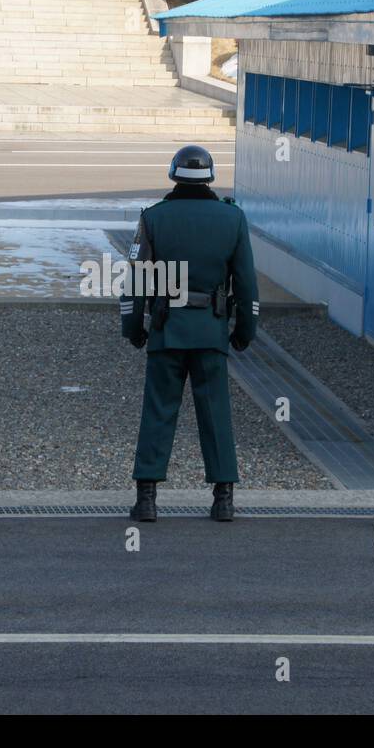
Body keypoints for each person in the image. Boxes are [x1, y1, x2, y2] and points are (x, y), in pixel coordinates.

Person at [122, 145, 259, 523]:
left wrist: (133, 328)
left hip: (167, 329)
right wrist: (244, 331)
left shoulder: (153, 218)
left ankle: (147, 499)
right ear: (210, 178)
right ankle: (223, 499)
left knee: (158, 411)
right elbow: (246, 283)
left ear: (174, 175)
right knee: (216, 415)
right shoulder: (233, 219)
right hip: (211, 331)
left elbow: (136, 280)